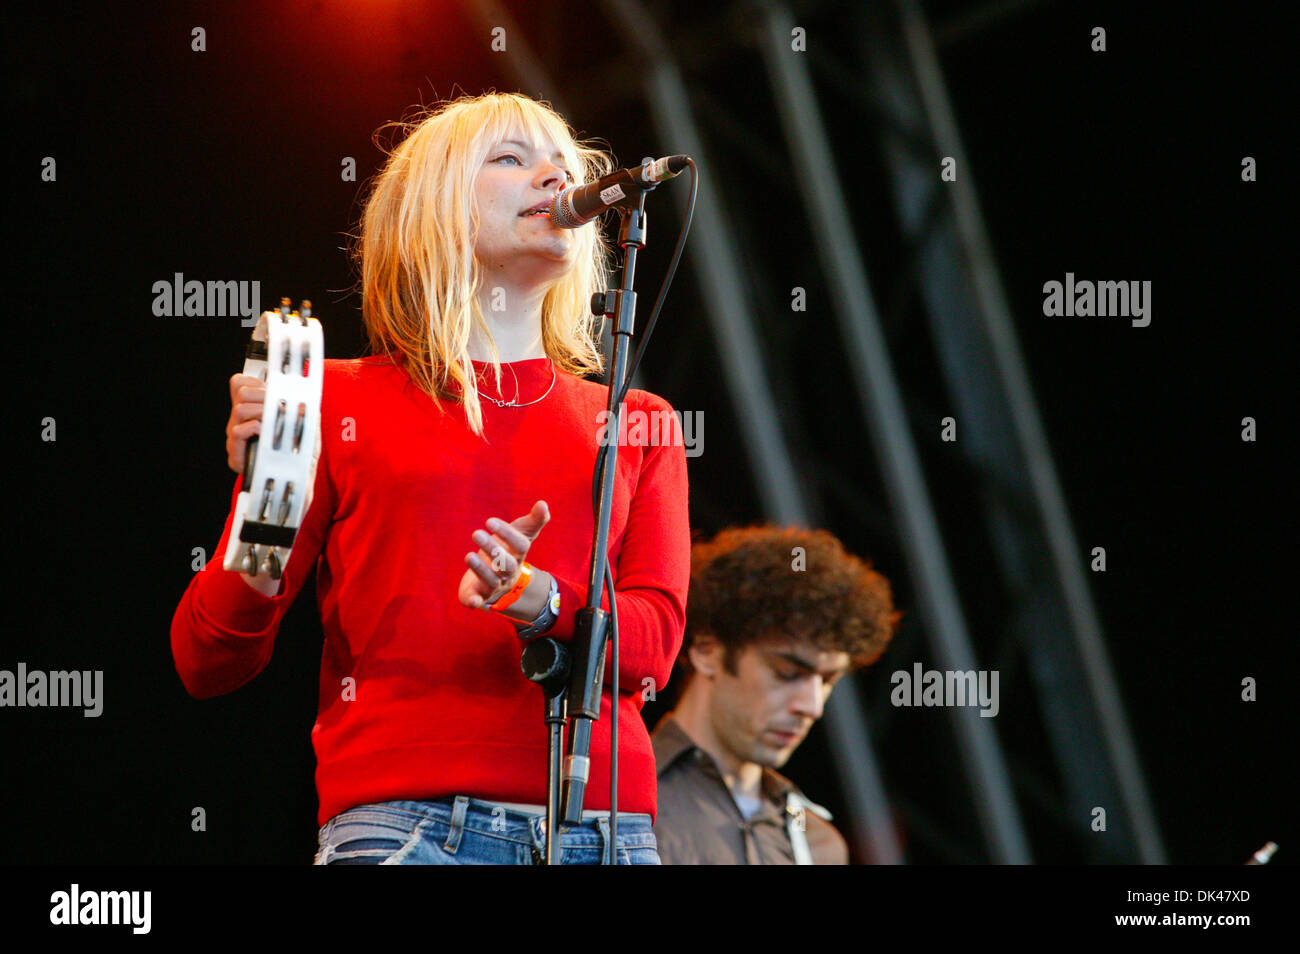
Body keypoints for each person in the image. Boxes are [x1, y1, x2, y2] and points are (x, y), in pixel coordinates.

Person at [170, 92, 691, 864]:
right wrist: (265, 503)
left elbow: (651, 649)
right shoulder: (335, 398)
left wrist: (536, 597)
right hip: (408, 828)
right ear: (433, 210)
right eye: (512, 159)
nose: (554, 178)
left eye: (563, 163)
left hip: (606, 831)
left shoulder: (639, 420)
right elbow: (208, 663)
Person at [652, 525, 899, 864]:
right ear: (707, 652)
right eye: (789, 673)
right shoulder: (617, 796)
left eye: (828, 681)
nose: (812, 706)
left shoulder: (818, 844)